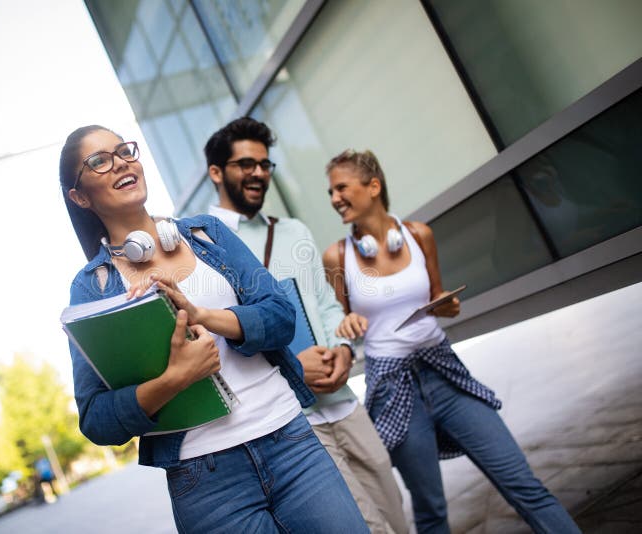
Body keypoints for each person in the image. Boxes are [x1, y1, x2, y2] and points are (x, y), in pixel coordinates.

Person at [60, 125, 368, 533]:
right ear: (80, 196)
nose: (121, 163)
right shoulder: (91, 288)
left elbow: (279, 316)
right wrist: (177, 378)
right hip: (205, 481)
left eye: (125, 151)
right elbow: (97, 418)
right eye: (100, 161)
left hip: (290, 442)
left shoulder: (209, 234)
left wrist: (202, 315)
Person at [321, 149, 581, 534]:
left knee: (524, 485)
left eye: (341, 187)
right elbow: (339, 321)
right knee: (431, 512)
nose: (334, 198)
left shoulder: (419, 235)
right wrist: (347, 324)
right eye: (330, 192)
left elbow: (439, 300)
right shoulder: (337, 256)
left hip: (444, 373)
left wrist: (447, 307)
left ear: (372, 186)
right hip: (394, 390)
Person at [203, 117, 408, 534]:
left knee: (395, 513)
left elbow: (326, 305)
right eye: (246, 163)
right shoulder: (201, 247)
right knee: (366, 526)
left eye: (264, 164)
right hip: (291, 422)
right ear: (216, 172)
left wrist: (344, 351)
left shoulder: (294, 231)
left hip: (343, 401)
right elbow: (219, 341)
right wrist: (295, 366)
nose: (259, 173)